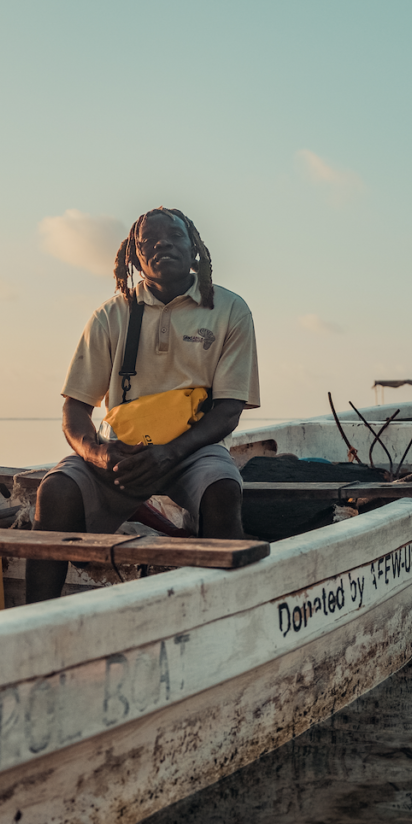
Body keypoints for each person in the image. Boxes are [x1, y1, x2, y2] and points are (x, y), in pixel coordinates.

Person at [27, 207, 259, 603]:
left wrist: (170, 453)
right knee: (55, 493)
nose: (161, 244)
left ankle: (229, 609)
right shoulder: (111, 314)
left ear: (195, 249)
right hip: (122, 451)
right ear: (134, 257)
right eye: (147, 240)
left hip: (194, 448)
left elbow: (228, 410)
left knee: (223, 491)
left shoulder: (230, 310)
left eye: (173, 236)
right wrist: (98, 454)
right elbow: (76, 409)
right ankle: (33, 621)